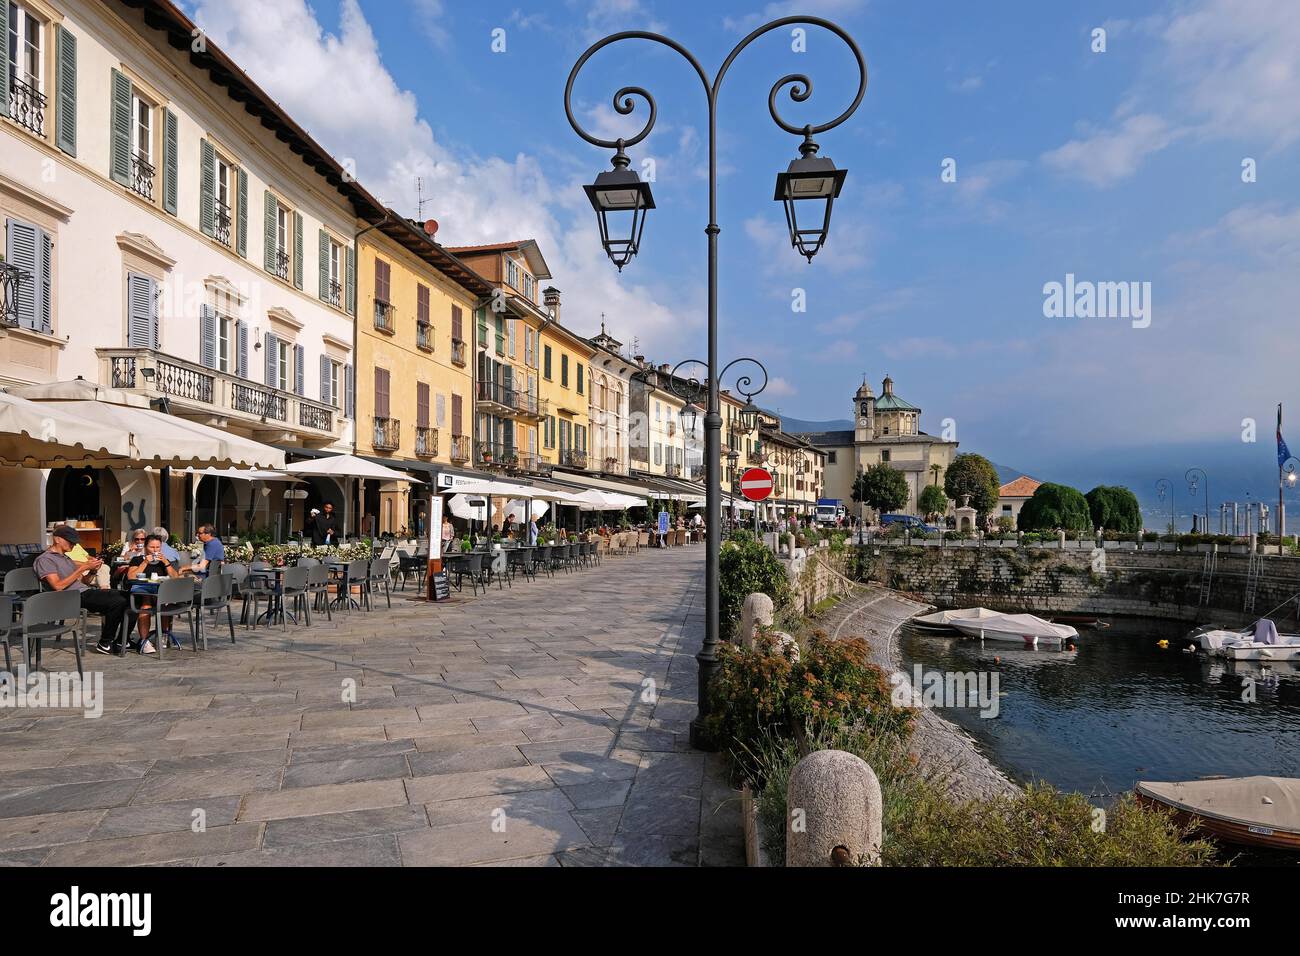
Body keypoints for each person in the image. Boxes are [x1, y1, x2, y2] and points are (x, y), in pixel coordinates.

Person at [34, 526, 131, 656]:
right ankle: (105, 642)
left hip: (83, 592)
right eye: (70, 541)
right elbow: (57, 586)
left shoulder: (66, 558)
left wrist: (92, 570)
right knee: (118, 601)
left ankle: (121, 641)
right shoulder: (45, 559)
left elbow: (84, 581)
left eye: (74, 542)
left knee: (132, 597)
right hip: (69, 597)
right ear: (57, 539)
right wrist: (82, 567)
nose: (74, 544)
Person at [126, 534, 181, 652]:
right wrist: (145, 562)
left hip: (159, 591)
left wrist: (166, 562)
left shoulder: (164, 562)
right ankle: (144, 640)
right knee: (146, 603)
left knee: (165, 603)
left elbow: (176, 577)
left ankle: (162, 637)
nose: (155, 550)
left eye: (158, 547)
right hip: (142, 591)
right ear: (146, 547)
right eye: (152, 547)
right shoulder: (137, 560)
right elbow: (130, 577)